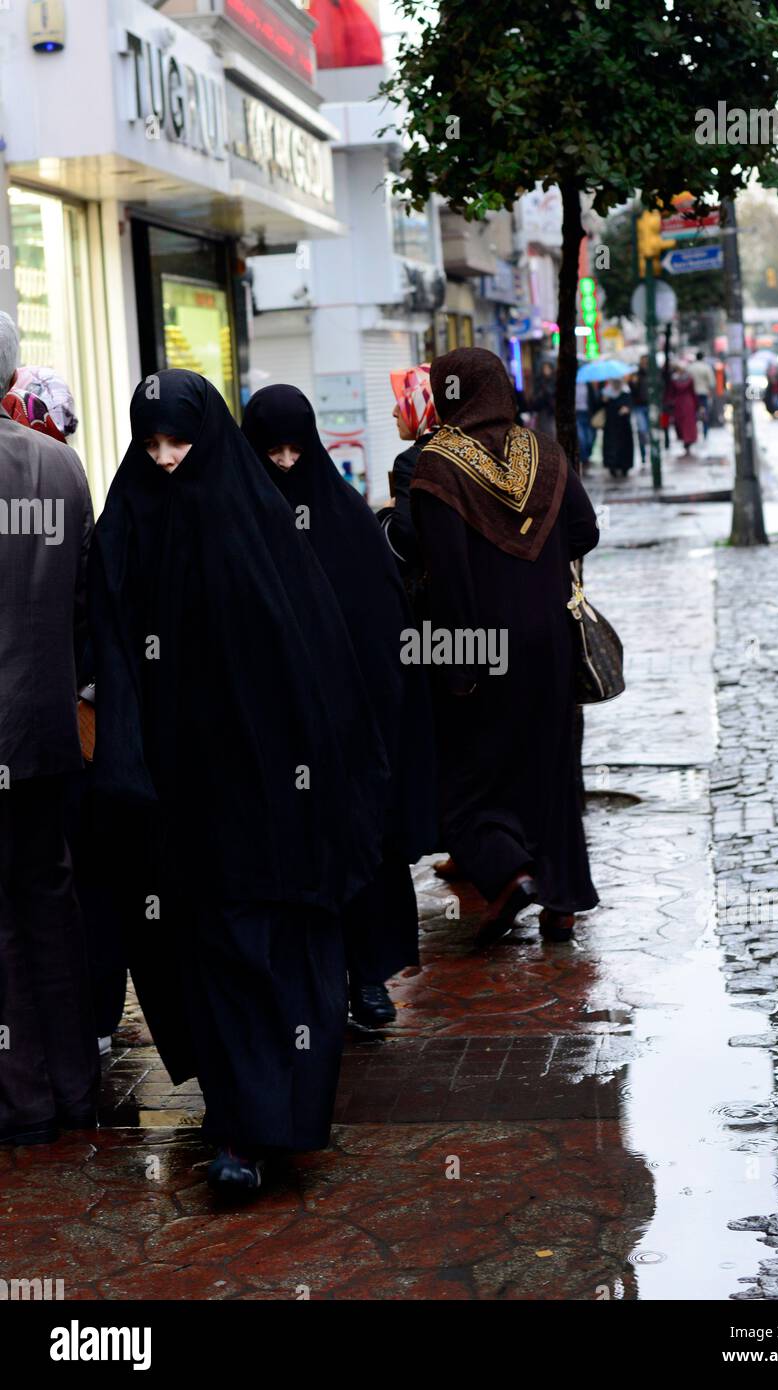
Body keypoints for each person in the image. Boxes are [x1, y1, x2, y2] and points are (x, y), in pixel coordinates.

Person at [89, 369, 393, 1199]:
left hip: (274, 793)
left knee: (281, 950)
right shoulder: (129, 520)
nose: (164, 458)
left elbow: (314, 660)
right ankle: (240, 1129)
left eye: (179, 440)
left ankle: (281, 1118)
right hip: (181, 799)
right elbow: (106, 649)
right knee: (216, 953)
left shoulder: (256, 521)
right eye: (149, 443)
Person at [242, 384, 437, 1029]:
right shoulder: (243, 527)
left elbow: (386, 628)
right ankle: (319, 989)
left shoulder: (347, 519)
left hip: (356, 730)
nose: (289, 463)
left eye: (300, 448)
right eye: (274, 451)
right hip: (282, 736)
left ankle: (369, 981)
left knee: (368, 854)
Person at [410, 347, 600, 947]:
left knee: (466, 778)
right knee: (551, 770)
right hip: (551, 640)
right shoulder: (544, 450)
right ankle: (562, 901)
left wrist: (456, 664)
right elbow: (585, 531)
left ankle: (508, 872)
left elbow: (448, 576)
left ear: (450, 394)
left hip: (481, 642)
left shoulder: (437, 466)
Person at [0, 311, 100, 1147]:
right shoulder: (61, 466)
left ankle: (23, 1099)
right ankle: (75, 1087)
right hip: (44, 726)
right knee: (51, 903)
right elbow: (83, 599)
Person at [376, 365, 438, 605]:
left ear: (425, 406)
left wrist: (388, 512)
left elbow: (405, 535)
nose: (394, 412)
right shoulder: (463, 445)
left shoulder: (411, 460)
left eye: (403, 403)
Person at [600, 379, 635, 477]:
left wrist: (626, 409)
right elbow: (599, 405)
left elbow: (630, 405)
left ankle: (624, 467)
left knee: (624, 446)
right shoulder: (606, 393)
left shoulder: (626, 392)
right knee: (611, 446)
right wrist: (603, 400)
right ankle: (612, 466)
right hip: (611, 424)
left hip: (624, 425)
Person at [665, 362, 698, 456]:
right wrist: (697, 404)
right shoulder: (689, 379)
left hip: (679, 403)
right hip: (688, 402)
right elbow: (693, 391)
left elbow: (671, 393)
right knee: (688, 423)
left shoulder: (674, 379)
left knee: (681, 422)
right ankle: (688, 440)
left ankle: (685, 439)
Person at [689, 351, 716, 440]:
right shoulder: (706, 367)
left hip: (692, 394)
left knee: (693, 413)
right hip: (703, 392)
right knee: (704, 412)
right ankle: (705, 432)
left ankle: (694, 432)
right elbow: (712, 382)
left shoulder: (691, 367)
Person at [629, 356, 650, 466]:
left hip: (650, 406)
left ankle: (649, 454)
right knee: (642, 431)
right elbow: (632, 391)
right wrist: (633, 383)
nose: (644, 364)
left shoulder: (652, 374)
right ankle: (643, 455)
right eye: (643, 362)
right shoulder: (636, 375)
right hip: (639, 406)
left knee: (649, 432)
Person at [532, 359, 557, 438]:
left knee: (551, 429)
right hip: (542, 408)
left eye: (547, 368)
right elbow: (536, 394)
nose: (546, 370)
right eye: (544, 368)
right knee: (542, 429)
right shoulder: (539, 380)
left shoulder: (554, 380)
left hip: (551, 409)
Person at [575, 371, 593, 467]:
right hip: (577, 414)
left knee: (590, 438)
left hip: (587, 414)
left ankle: (587, 455)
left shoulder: (588, 384)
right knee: (581, 438)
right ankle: (584, 458)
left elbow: (593, 399)